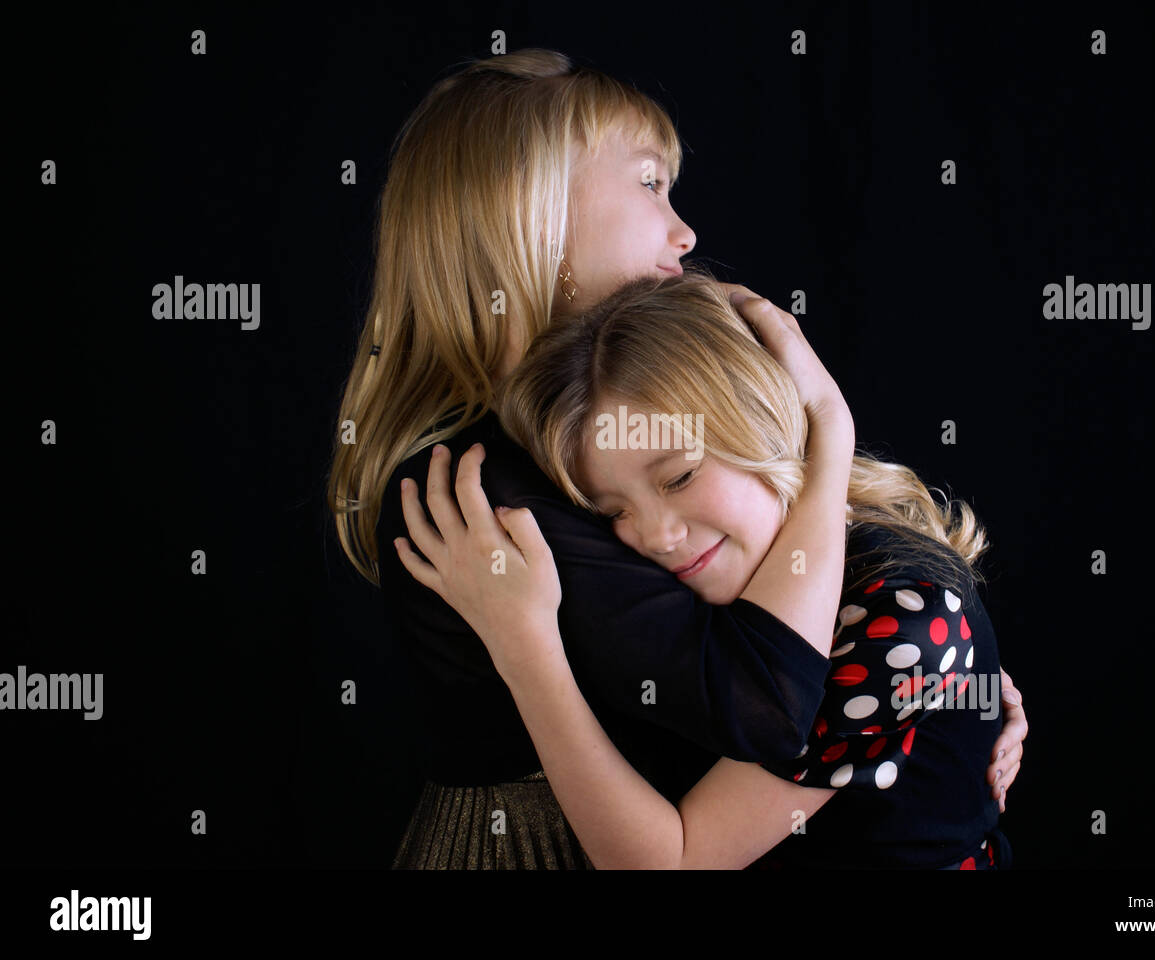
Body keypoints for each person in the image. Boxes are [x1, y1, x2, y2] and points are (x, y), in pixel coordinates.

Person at [328, 48, 1027, 869]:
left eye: (679, 476)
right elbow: (768, 696)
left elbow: (817, 631)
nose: (684, 231)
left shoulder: (608, 409)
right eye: (650, 183)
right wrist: (916, 661)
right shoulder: (488, 479)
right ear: (534, 203)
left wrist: (954, 683)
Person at [395, 270, 1010, 868]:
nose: (657, 536)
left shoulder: (903, 616)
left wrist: (525, 646)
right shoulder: (724, 581)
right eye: (613, 513)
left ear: (764, 423)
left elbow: (673, 863)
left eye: (681, 476)